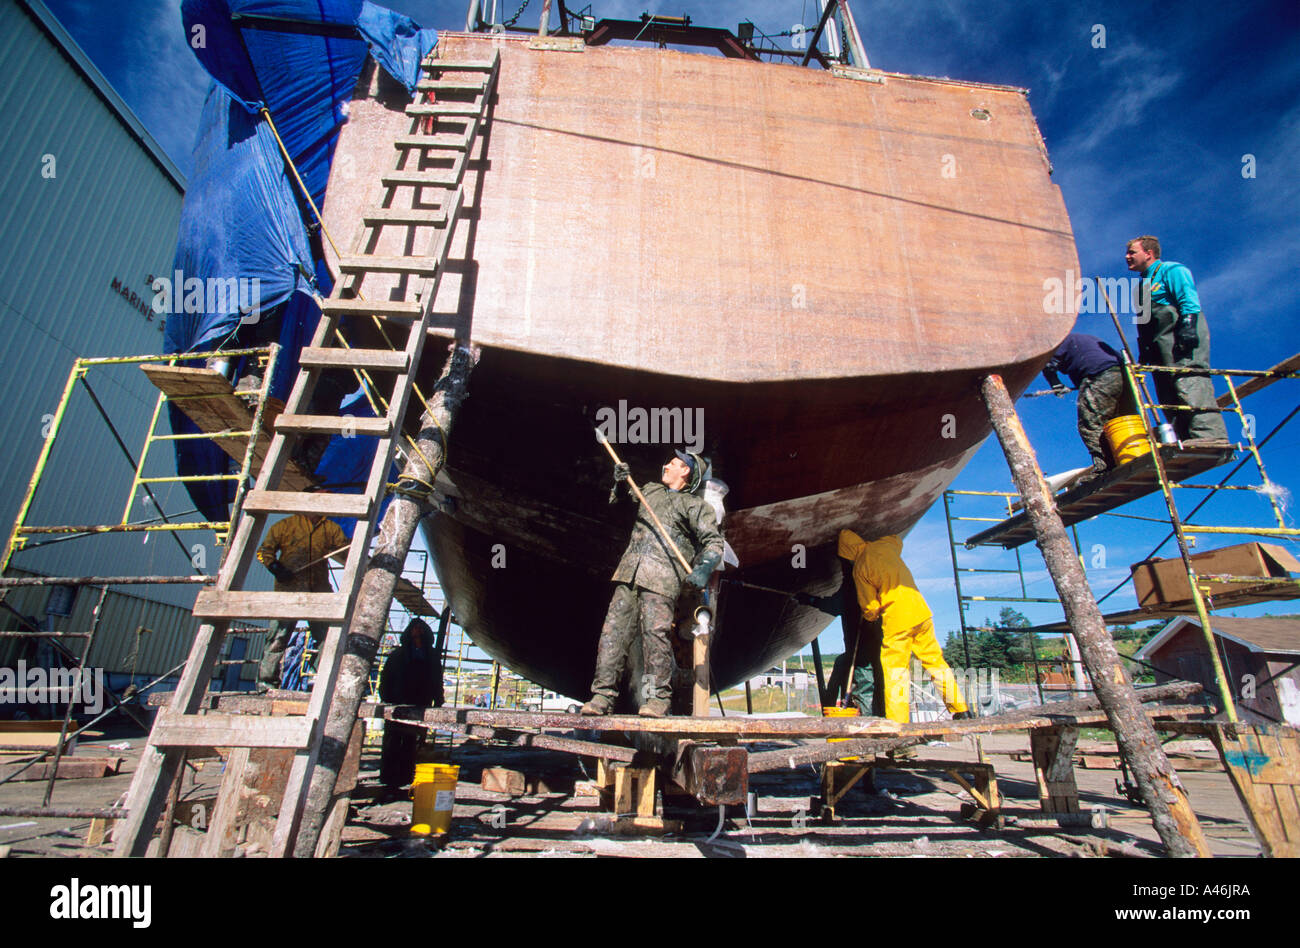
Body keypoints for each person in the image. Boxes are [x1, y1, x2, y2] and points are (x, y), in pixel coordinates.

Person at [581, 450, 724, 718]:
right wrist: (620, 484)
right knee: (613, 633)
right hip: (629, 573)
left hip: (661, 579)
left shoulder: (695, 506)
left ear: (686, 471)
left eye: (673, 463)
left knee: (655, 637)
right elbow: (620, 505)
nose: (665, 465)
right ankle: (602, 696)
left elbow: (714, 542)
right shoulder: (650, 491)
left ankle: (659, 699)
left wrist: (704, 568)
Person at [837, 530, 971, 723]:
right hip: (921, 612)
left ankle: (898, 723)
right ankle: (960, 709)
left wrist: (869, 617)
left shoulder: (860, 567)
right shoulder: (885, 546)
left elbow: (870, 607)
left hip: (897, 620)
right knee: (936, 662)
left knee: (896, 672)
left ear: (848, 552)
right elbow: (896, 540)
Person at [1125, 236, 1228, 441]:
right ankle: (1186, 439)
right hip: (1160, 346)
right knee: (1167, 393)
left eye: (1132, 252)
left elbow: (1187, 298)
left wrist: (1188, 326)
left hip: (1181, 339)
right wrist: (1144, 349)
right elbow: (1143, 323)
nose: (1127, 257)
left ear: (1149, 253)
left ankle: (1210, 436)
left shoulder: (1171, 270)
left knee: (1188, 380)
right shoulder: (1140, 289)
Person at [255, 513, 349, 690]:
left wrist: (351, 550)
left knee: (326, 637)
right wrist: (275, 568)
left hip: (319, 590)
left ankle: (323, 680)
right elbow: (263, 551)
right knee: (278, 637)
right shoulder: (286, 525)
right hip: (289, 590)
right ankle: (266, 682)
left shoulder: (331, 528)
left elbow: (346, 551)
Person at [1042, 332, 1138, 478]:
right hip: (1123, 374)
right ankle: (1135, 452)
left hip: (1098, 374)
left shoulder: (1056, 342)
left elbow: (1047, 365)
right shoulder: (1080, 340)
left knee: (1089, 423)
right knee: (1123, 420)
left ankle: (1105, 467)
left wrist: (1055, 383)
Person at [378, 619, 443, 798]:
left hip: (420, 702)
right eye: (415, 628)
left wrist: (438, 700)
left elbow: (437, 678)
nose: (417, 631)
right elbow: (386, 677)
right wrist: (387, 698)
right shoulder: (398, 655)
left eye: (420, 628)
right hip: (398, 702)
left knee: (411, 741)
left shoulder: (431, 656)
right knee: (392, 741)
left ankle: (406, 776)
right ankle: (389, 778)